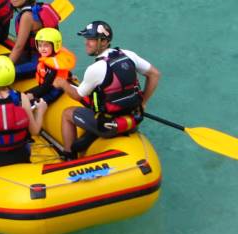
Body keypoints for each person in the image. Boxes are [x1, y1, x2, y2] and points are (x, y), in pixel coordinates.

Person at [53, 20, 161, 159]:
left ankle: (68, 155)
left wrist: (62, 83)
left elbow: (77, 95)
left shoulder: (95, 69)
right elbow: (155, 74)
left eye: (91, 39)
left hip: (107, 124)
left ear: (104, 42)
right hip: (134, 118)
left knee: (67, 113)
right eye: (87, 39)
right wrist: (143, 102)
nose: (86, 42)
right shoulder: (128, 54)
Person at [7, 0, 61, 78]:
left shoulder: (26, 16)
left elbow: (19, 47)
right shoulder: (38, 7)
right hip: (39, 55)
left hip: (40, 61)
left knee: (5, 72)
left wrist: (6, 68)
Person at [25, 27, 76, 114]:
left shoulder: (52, 67)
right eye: (40, 45)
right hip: (48, 87)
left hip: (53, 91)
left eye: (46, 45)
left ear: (55, 45)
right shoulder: (52, 59)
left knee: (26, 101)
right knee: (25, 96)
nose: (42, 49)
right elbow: (64, 71)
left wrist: (32, 95)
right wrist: (70, 76)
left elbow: (45, 87)